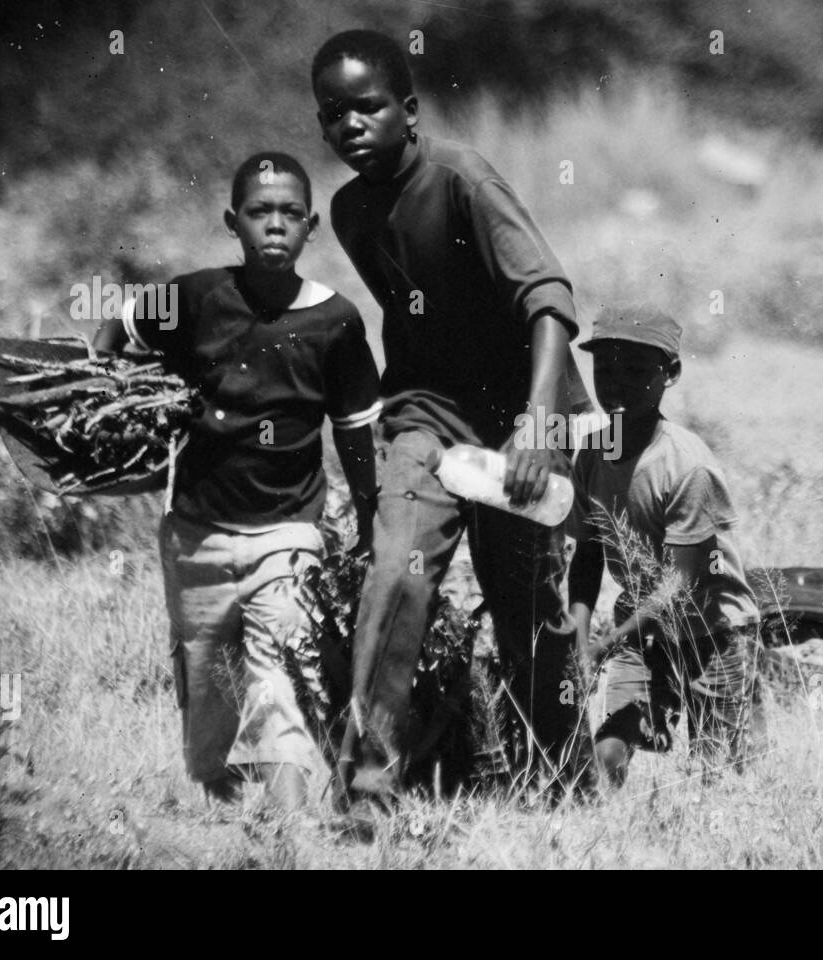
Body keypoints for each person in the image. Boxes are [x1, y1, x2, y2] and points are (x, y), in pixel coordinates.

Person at [311, 29, 593, 798]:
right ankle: (367, 789)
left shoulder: (463, 178)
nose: (351, 126)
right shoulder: (347, 212)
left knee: (527, 607)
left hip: (518, 413)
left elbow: (549, 301)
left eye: (368, 108)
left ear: (408, 109)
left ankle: (565, 781)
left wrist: (538, 425)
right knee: (395, 577)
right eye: (333, 115)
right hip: (425, 415)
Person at [94, 152, 380, 812]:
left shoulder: (335, 322)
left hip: (289, 535)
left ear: (312, 225)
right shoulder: (196, 298)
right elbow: (122, 322)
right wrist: (103, 385)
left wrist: (370, 525)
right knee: (207, 702)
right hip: (196, 540)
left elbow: (356, 435)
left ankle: (286, 836)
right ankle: (220, 804)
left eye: (288, 214)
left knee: (279, 680)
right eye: (259, 212)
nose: (274, 226)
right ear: (233, 221)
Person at [566, 303, 765, 787]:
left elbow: (683, 581)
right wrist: (578, 635)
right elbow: (588, 554)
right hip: (640, 625)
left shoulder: (686, 465)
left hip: (713, 630)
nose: (615, 383)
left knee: (721, 776)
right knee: (608, 751)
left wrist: (607, 645)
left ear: (670, 373)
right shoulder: (593, 452)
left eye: (635, 370)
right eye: (605, 368)